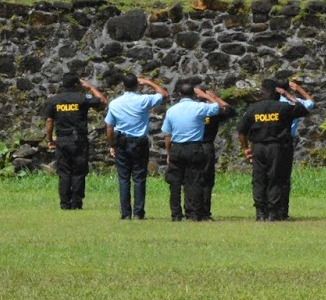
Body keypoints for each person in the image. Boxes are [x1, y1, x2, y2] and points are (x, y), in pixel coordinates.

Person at [237, 79, 312, 222]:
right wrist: (288, 95)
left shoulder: (253, 109)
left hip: (258, 147)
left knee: (259, 178)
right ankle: (273, 212)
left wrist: (245, 148)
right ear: (277, 92)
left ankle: (260, 212)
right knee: (275, 178)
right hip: (277, 147)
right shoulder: (283, 107)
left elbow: (241, 131)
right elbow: (303, 110)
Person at [162, 81, 230, 222]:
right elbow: (220, 106)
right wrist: (207, 95)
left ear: (179, 94)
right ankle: (193, 213)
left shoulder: (171, 110)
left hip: (177, 147)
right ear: (193, 94)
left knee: (175, 183)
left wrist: (169, 153)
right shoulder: (199, 108)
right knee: (194, 181)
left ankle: (176, 214)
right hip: (194, 148)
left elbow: (167, 135)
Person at [103, 73, 167, 220]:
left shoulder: (115, 103)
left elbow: (109, 127)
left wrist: (112, 143)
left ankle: (125, 213)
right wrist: (149, 82)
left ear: (123, 85)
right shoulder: (144, 100)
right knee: (139, 177)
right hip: (139, 141)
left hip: (122, 141)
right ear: (137, 85)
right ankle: (138, 212)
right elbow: (163, 94)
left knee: (123, 178)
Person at [41, 73, 107, 210]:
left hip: (62, 140)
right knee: (78, 171)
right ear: (77, 84)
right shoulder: (82, 98)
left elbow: (49, 121)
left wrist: (49, 139)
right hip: (79, 140)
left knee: (64, 172)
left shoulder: (54, 100)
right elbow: (103, 101)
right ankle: (77, 203)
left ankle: (65, 203)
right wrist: (89, 87)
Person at [198, 81, 234, 219]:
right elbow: (230, 111)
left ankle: (192, 210)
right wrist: (214, 97)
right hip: (207, 146)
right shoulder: (213, 112)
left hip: (192, 145)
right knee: (207, 180)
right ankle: (205, 212)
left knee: (193, 179)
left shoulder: (191, 109)